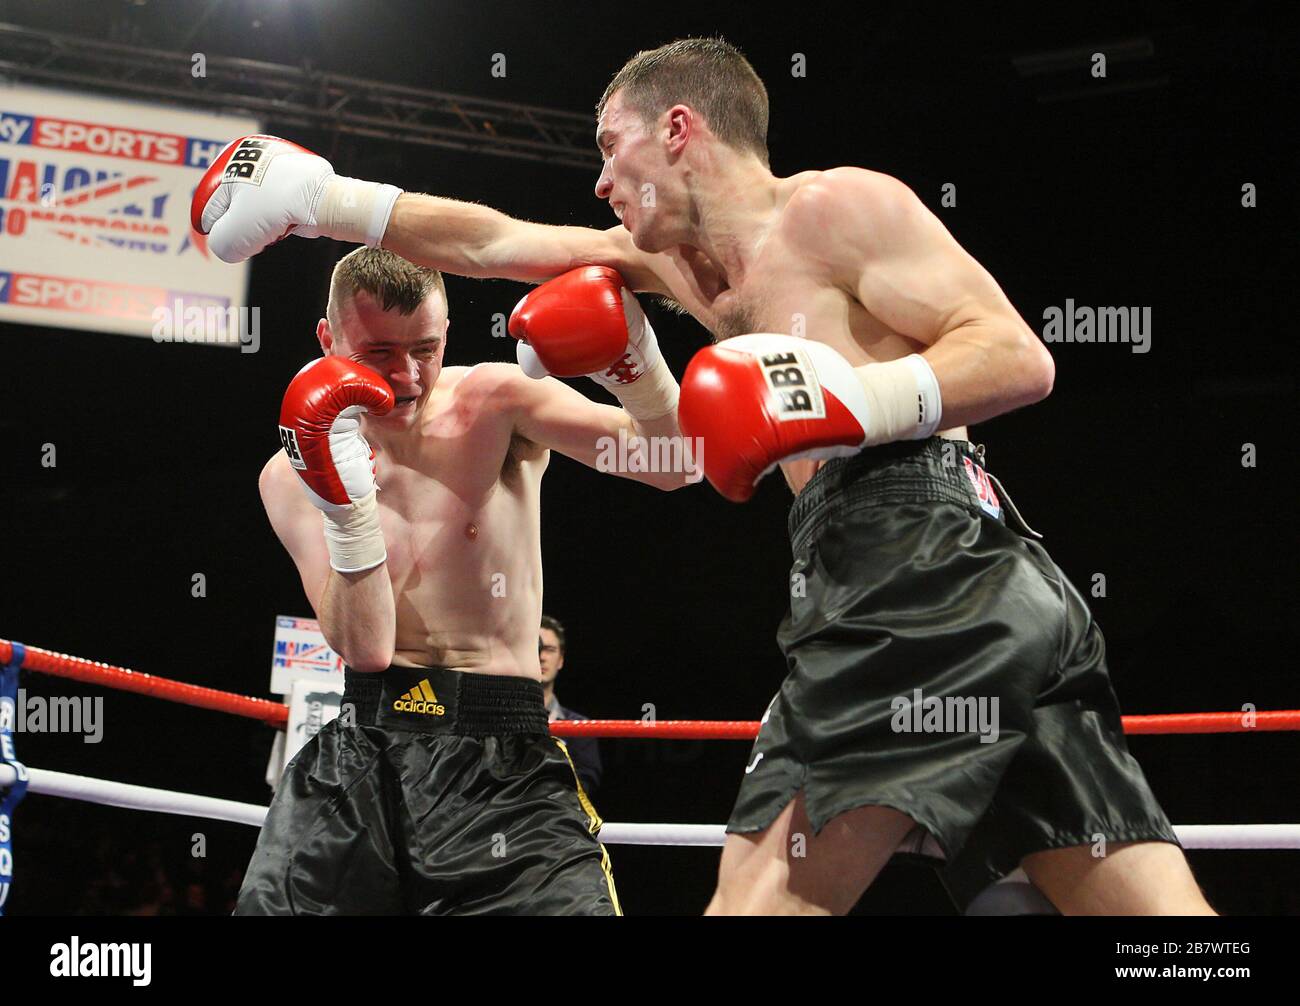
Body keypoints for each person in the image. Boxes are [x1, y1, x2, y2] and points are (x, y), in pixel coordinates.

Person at [194, 38, 1212, 916]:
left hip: (916, 560)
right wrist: (323, 202)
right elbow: (500, 244)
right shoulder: (675, 268)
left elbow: (1016, 357)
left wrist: (849, 402)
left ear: (677, 128)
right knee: (1139, 898)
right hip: (985, 588)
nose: (598, 181)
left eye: (609, 146)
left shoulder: (832, 207)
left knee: (759, 898)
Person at [235, 247, 689, 915]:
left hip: (501, 753)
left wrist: (636, 367)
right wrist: (347, 507)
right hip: (365, 749)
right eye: (380, 351)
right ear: (328, 340)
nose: (408, 373)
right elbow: (366, 649)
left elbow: (675, 464)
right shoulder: (290, 473)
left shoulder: (496, 401)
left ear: (447, 331)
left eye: (425, 346)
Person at [539, 615, 602, 796]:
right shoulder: (502, 718)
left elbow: (587, 779)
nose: (542, 657)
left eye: (550, 650)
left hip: (558, 816)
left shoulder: (580, 726)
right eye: (536, 648)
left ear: (561, 660)